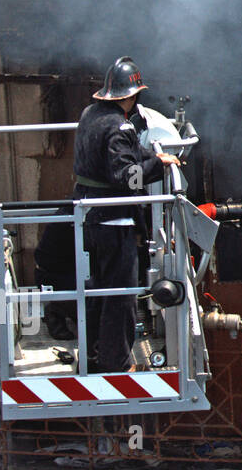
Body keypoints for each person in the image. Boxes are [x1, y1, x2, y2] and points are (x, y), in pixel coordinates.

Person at [73, 56, 179, 373]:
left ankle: (92, 355)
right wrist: (160, 165)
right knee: (120, 296)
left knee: (97, 290)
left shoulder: (90, 114)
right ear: (131, 97)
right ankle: (116, 363)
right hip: (113, 219)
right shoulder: (119, 126)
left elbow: (128, 152)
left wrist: (153, 155)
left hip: (88, 215)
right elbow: (126, 176)